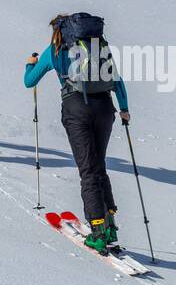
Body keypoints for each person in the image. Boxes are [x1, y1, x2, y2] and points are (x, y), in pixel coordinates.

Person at [23, 13, 130, 254]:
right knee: (98, 166)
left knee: (88, 170)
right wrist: (124, 109)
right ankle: (110, 228)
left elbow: (30, 81)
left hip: (76, 109)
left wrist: (30, 63)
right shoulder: (96, 47)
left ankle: (98, 232)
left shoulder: (55, 50)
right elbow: (118, 81)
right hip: (105, 108)